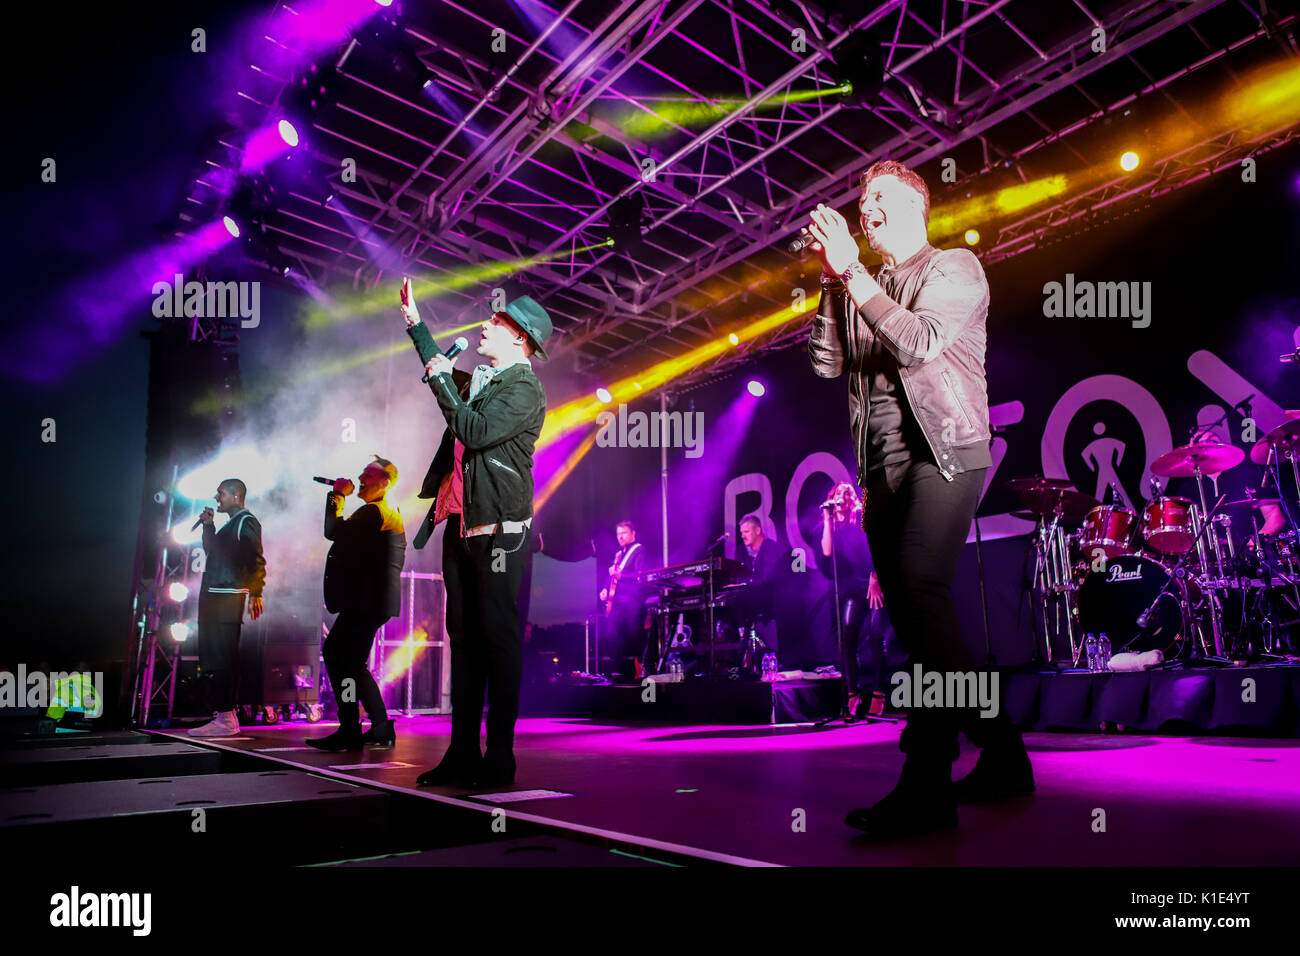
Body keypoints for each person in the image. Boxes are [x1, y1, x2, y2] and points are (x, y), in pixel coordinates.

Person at [805, 159, 1032, 840]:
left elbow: (921, 342)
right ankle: (1003, 751)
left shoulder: (954, 267)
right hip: (880, 469)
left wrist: (853, 275)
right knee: (917, 618)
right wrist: (829, 281)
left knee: (921, 587)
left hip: (949, 452)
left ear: (910, 204)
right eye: (861, 196)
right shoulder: (855, 283)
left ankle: (926, 782)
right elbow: (824, 364)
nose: (863, 205)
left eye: (876, 196)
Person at [400, 278, 551, 789]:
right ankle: (462, 751)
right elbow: (443, 376)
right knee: (463, 640)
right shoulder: (486, 380)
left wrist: (444, 381)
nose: (486, 324)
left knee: (498, 641)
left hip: (502, 534)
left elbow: (474, 431)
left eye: (498, 322)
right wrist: (416, 326)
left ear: (520, 340)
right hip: (464, 525)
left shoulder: (524, 388)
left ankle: (499, 757)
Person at [307, 457, 407, 751]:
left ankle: (353, 727)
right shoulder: (377, 512)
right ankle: (377, 726)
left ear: (385, 482)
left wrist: (337, 496)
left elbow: (333, 531)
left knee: (340, 657)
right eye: (361, 474)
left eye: (369, 476)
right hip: (369, 600)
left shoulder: (376, 512)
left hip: (367, 601)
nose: (361, 479)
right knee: (346, 660)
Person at [816, 482, 904, 718]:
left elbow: (879, 547)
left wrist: (875, 577)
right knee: (847, 638)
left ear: (852, 498)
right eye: (838, 493)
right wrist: (827, 519)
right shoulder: (831, 524)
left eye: (847, 492)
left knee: (876, 637)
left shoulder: (862, 518)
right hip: (852, 590)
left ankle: (878, 695)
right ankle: (852, 694)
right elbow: (826, 553)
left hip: (874, 584)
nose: (842, 495)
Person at [190, 479, 265, 737]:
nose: (216, 497)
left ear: (235, 495)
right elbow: (211, 552)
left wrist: (256, 592)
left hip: (227, 597)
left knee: (223, 657)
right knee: (213, 655)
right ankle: (223, 714)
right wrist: (209, 526)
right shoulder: (229, 525)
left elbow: (256, 558)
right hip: (214, 595)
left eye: (220, 493)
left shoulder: (247, 522)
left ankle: (226, 717)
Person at [599, 520, 647, 680]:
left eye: (624, 533)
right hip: (617, 603)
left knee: (636, 636)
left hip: (633, 601)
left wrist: (622, 576)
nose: (620, 537)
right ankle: (616, 671)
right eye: (618, 534)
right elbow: (612, 577)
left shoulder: (639, 550)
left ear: (633, 533)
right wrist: (605, 588)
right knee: (612, 634)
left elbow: (639, 575)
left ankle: (644, 668)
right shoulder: (618, 554)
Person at [739, 514, 782, 653]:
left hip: (769, 610)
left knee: (769, 651)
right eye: (741, 533)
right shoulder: (742, 552)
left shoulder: (770, 548)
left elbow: (768, 578)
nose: (743, 536)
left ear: (757, 531)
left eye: (746, 532)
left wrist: (748, 584)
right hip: (750, 610)